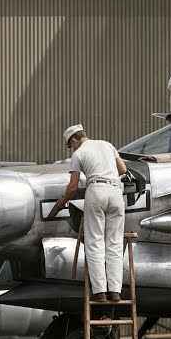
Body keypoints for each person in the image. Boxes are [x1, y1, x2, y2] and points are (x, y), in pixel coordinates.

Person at [48, 125, 128, 305]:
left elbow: (73, 187)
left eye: (71, 145)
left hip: (97, 191)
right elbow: (122, 169)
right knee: (114, 243)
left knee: (94, 242)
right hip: (116, 192)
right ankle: (115, 291)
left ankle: (99, 292)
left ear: (74, 140)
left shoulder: (78, 154)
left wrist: (62, 201)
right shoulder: (107, 145)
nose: (72, 149)